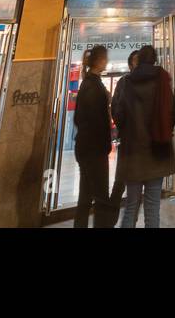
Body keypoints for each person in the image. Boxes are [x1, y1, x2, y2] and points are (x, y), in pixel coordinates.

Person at [111, 45, 175, 227]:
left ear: (138, 61)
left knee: (131, 206)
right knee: (152, 207)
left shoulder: (126, 82)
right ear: (155, 59)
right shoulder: (162, 81)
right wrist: (164, 128)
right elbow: (174, 112)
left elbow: (118, 113)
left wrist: (126, 130)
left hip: (133, 152)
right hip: (157, 151)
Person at [72, 45, 111, 228]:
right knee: (101, 197)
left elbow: (79, 118)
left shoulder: (88, 83)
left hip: (85, 147)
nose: (107, 61)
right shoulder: (93, 86)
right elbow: (94, 121)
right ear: (101, 60)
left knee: (86, 196)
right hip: (94, 149)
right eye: (106, 58)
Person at [106, 48, 139, 226]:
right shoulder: (124, 82)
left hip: (139, 144)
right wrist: (124, 127)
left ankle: (128, 222)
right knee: (120, 184)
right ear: (130, 64)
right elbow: (115, 108)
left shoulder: (144, 82)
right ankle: (109, 221)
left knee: (135, 189)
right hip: (128, 142)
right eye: (135, 60)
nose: (138, 63)